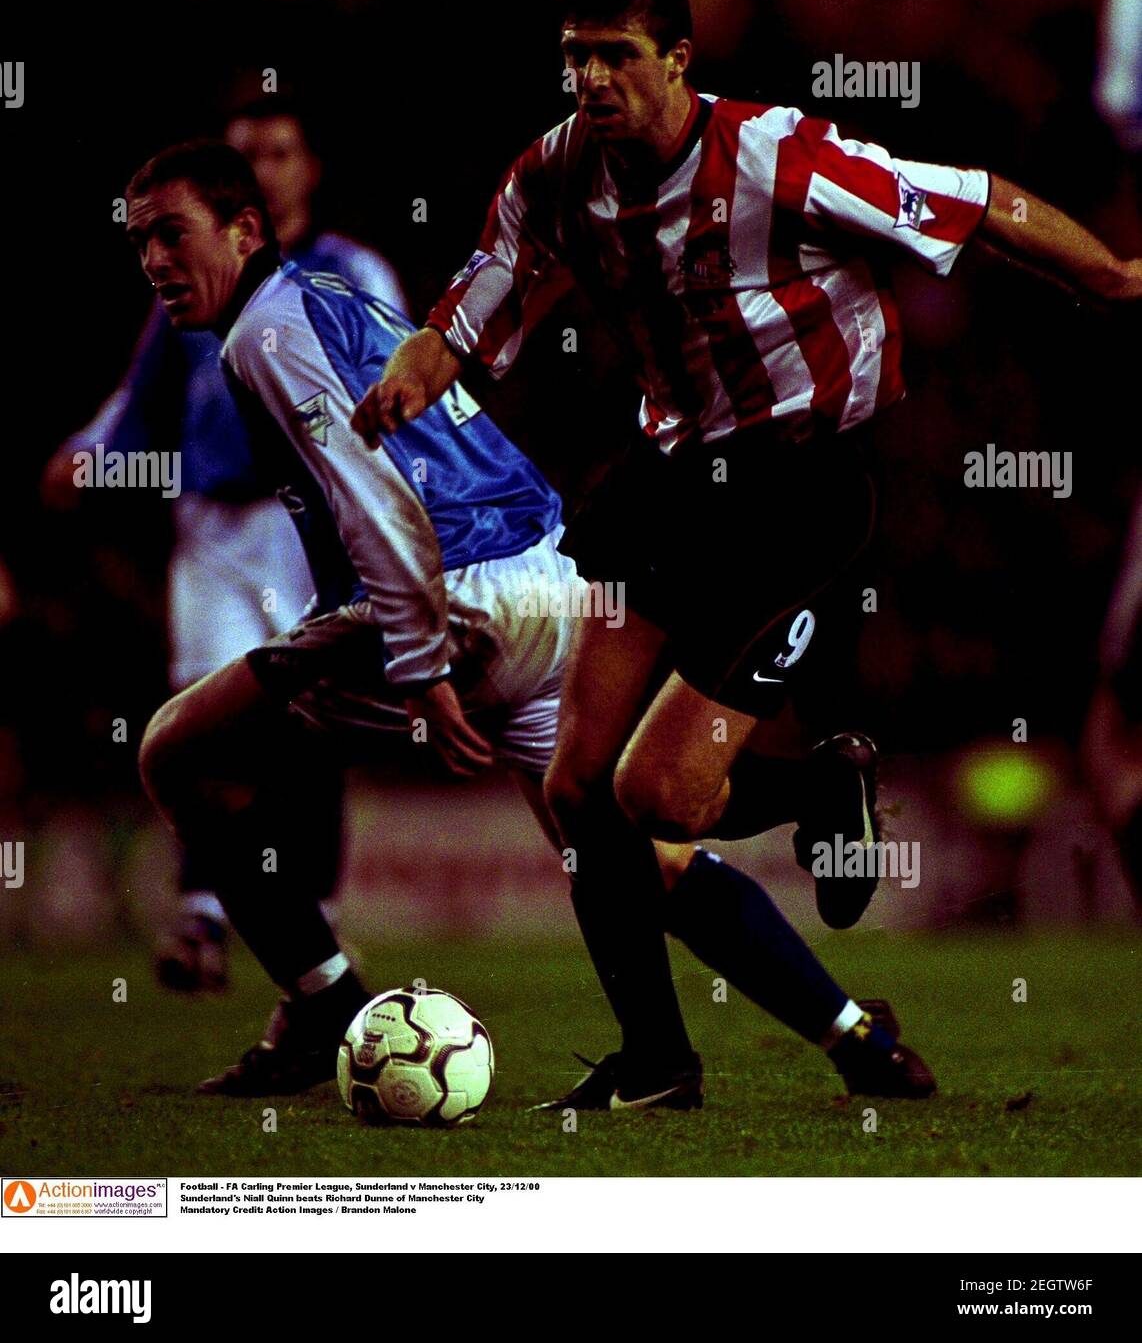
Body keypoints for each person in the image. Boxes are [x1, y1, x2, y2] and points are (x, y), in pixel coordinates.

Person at [351, 0, 1142, 1110]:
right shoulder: (553, 175)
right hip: (669, 480)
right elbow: (472, 305)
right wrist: (412, 374)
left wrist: (1114, 279)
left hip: (796, 490)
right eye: (575, 56)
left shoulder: (777, 154)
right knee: (576, 788)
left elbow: (974, 202)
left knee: (658, 800)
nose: (592, 79)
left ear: (676, 59)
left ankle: (821, 788)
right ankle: (658, 1062)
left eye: (616, 55)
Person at [125, 139, 933, 1105]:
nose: (155, 263)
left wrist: (421, 651)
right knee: (634, 843)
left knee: (176, 751)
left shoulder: (267, 330)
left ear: (242, 229)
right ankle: (849, 1027)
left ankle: (321, 1011)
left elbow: (370, 492)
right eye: (140, 244)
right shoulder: (342, 300)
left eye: (172, 235)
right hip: (547, 575)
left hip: (453, 603)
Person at [42, 98, 408, 993]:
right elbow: (138, 416)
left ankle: (306, 918)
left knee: (300, 723)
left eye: (281, 152)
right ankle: (207, 913)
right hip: (212, 529)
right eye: (249, 155)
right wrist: (92, 461)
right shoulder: (187, 293)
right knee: (200, 721)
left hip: (309, 525)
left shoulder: (348, 275)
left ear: (308, 170)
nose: (267, 169)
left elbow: (397, 397)